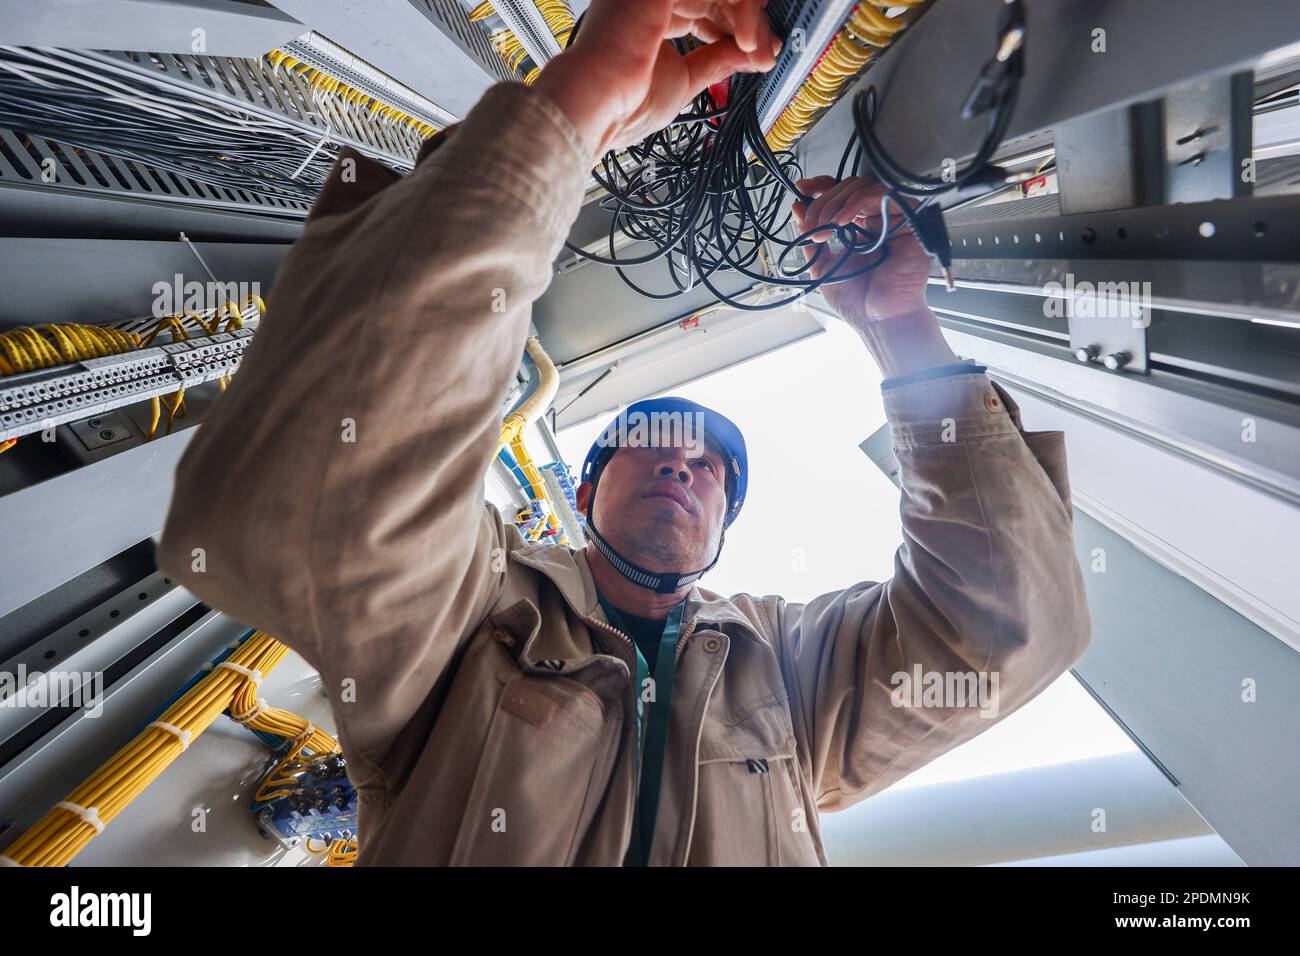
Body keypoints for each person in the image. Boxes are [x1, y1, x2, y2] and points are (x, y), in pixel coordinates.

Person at [160, 0, 1091, 865]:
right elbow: (298, 515)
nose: (684, 463)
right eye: (657, 442)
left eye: (708, 465)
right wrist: (573, 110)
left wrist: (900, 332)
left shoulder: (790, 677)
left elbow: (1004, 632)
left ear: (729, 518)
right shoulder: (478, 612)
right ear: (584, 488)